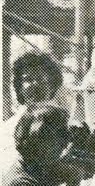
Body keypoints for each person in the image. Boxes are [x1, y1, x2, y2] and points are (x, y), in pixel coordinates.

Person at [1, 50, 68, 178]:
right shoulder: (6, 131)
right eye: (28, 79)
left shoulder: (65, 124)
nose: (35, 84)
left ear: (52, 86)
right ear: (19, 88)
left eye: (41, 79)